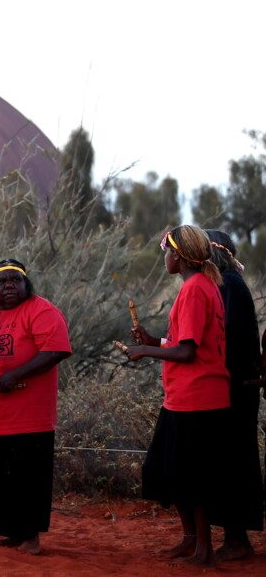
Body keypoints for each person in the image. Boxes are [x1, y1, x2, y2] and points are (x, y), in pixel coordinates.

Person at [125, 225, 231, 568]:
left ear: (179, 255)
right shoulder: (203, 286)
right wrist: (156, 341)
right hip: (188, 396)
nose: (165, 257)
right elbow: (189, 345)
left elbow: (188, 354)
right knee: (169, 470)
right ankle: (192, 541)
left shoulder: (195, 289)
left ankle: (204, 552)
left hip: (196, 397)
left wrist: (144, 350)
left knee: (191, 477)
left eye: (167, 251)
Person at [0, 259, 71, 555]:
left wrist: (16, 374)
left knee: (28, 478)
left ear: (26, 284)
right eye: (1, 281)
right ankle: (13, 531)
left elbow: (56, 349)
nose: (8, 285)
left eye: (15, 280)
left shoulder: (41, 310)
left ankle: (31, 537)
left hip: (29, 418)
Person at [204, 230, 263, 560]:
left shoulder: (229, 285)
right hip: (231, 385)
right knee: (230, 461)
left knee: (234, 462)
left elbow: (229, 342)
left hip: (234, 388)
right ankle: (233, 536)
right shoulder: (225, 284)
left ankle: (237, 540)